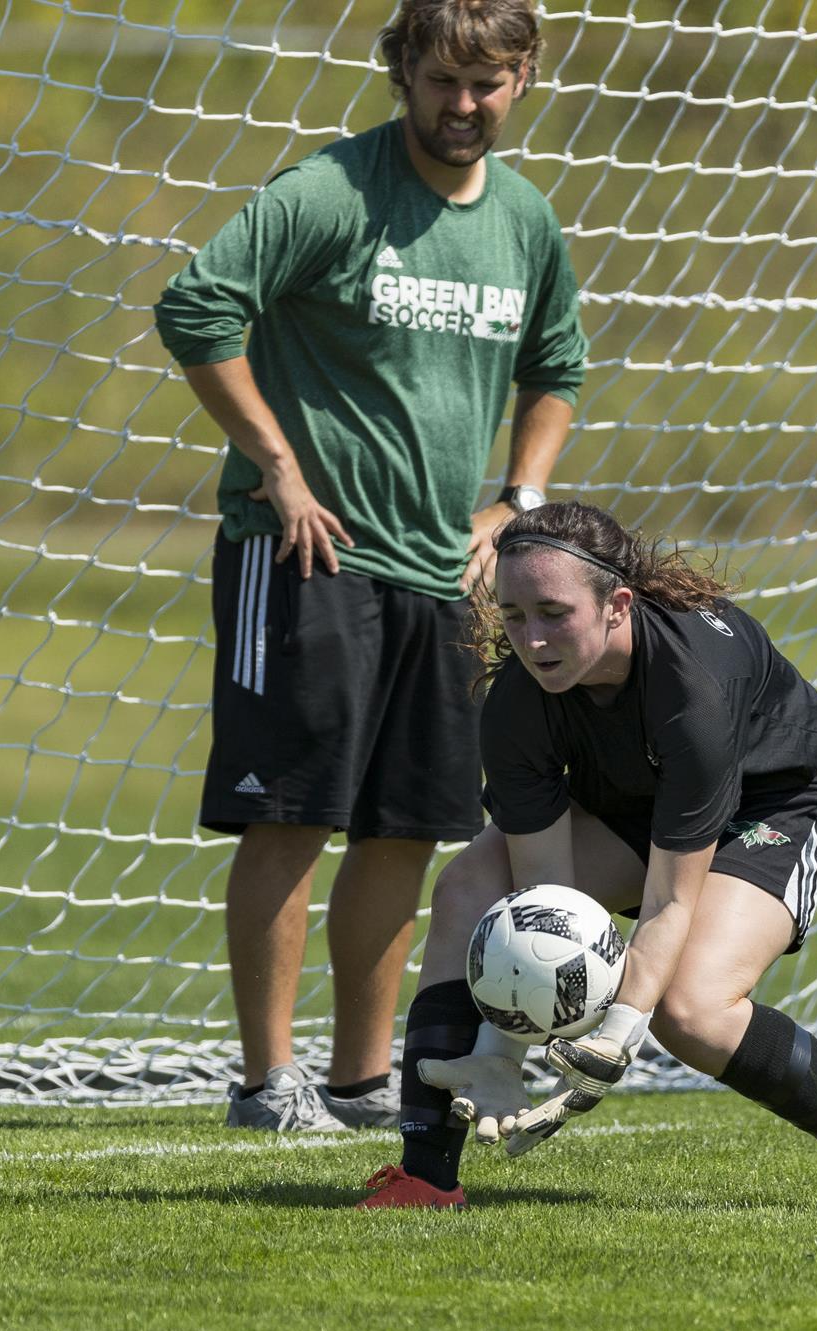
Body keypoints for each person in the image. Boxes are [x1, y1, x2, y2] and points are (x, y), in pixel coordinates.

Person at [153, 0, 587, 1132]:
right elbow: (195, 306)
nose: (464, 105)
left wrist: (516, 505)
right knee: (289, 818)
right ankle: (264, 1082)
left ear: (525, 77)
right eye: (443, 80)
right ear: (401, 72)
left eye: (488, 83)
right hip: (304, 558)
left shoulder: (527, 221)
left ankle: (354, 1084)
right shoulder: (330, 193)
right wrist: (277, 466)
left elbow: (556, 367)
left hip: (443, 579)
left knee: (404, 827)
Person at [357, 503, 817, 1214]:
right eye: (515, 615)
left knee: (691, 1009)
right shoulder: (517, 702)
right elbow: (547, 909)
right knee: (468, 885)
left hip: (771, 801)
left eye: (553, 612)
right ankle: (426, 1173)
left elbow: (670, 900)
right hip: (631, 805)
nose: (532, 639)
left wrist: (618, 1030)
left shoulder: (693, 691)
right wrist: (500, 1050)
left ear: (618, 604)